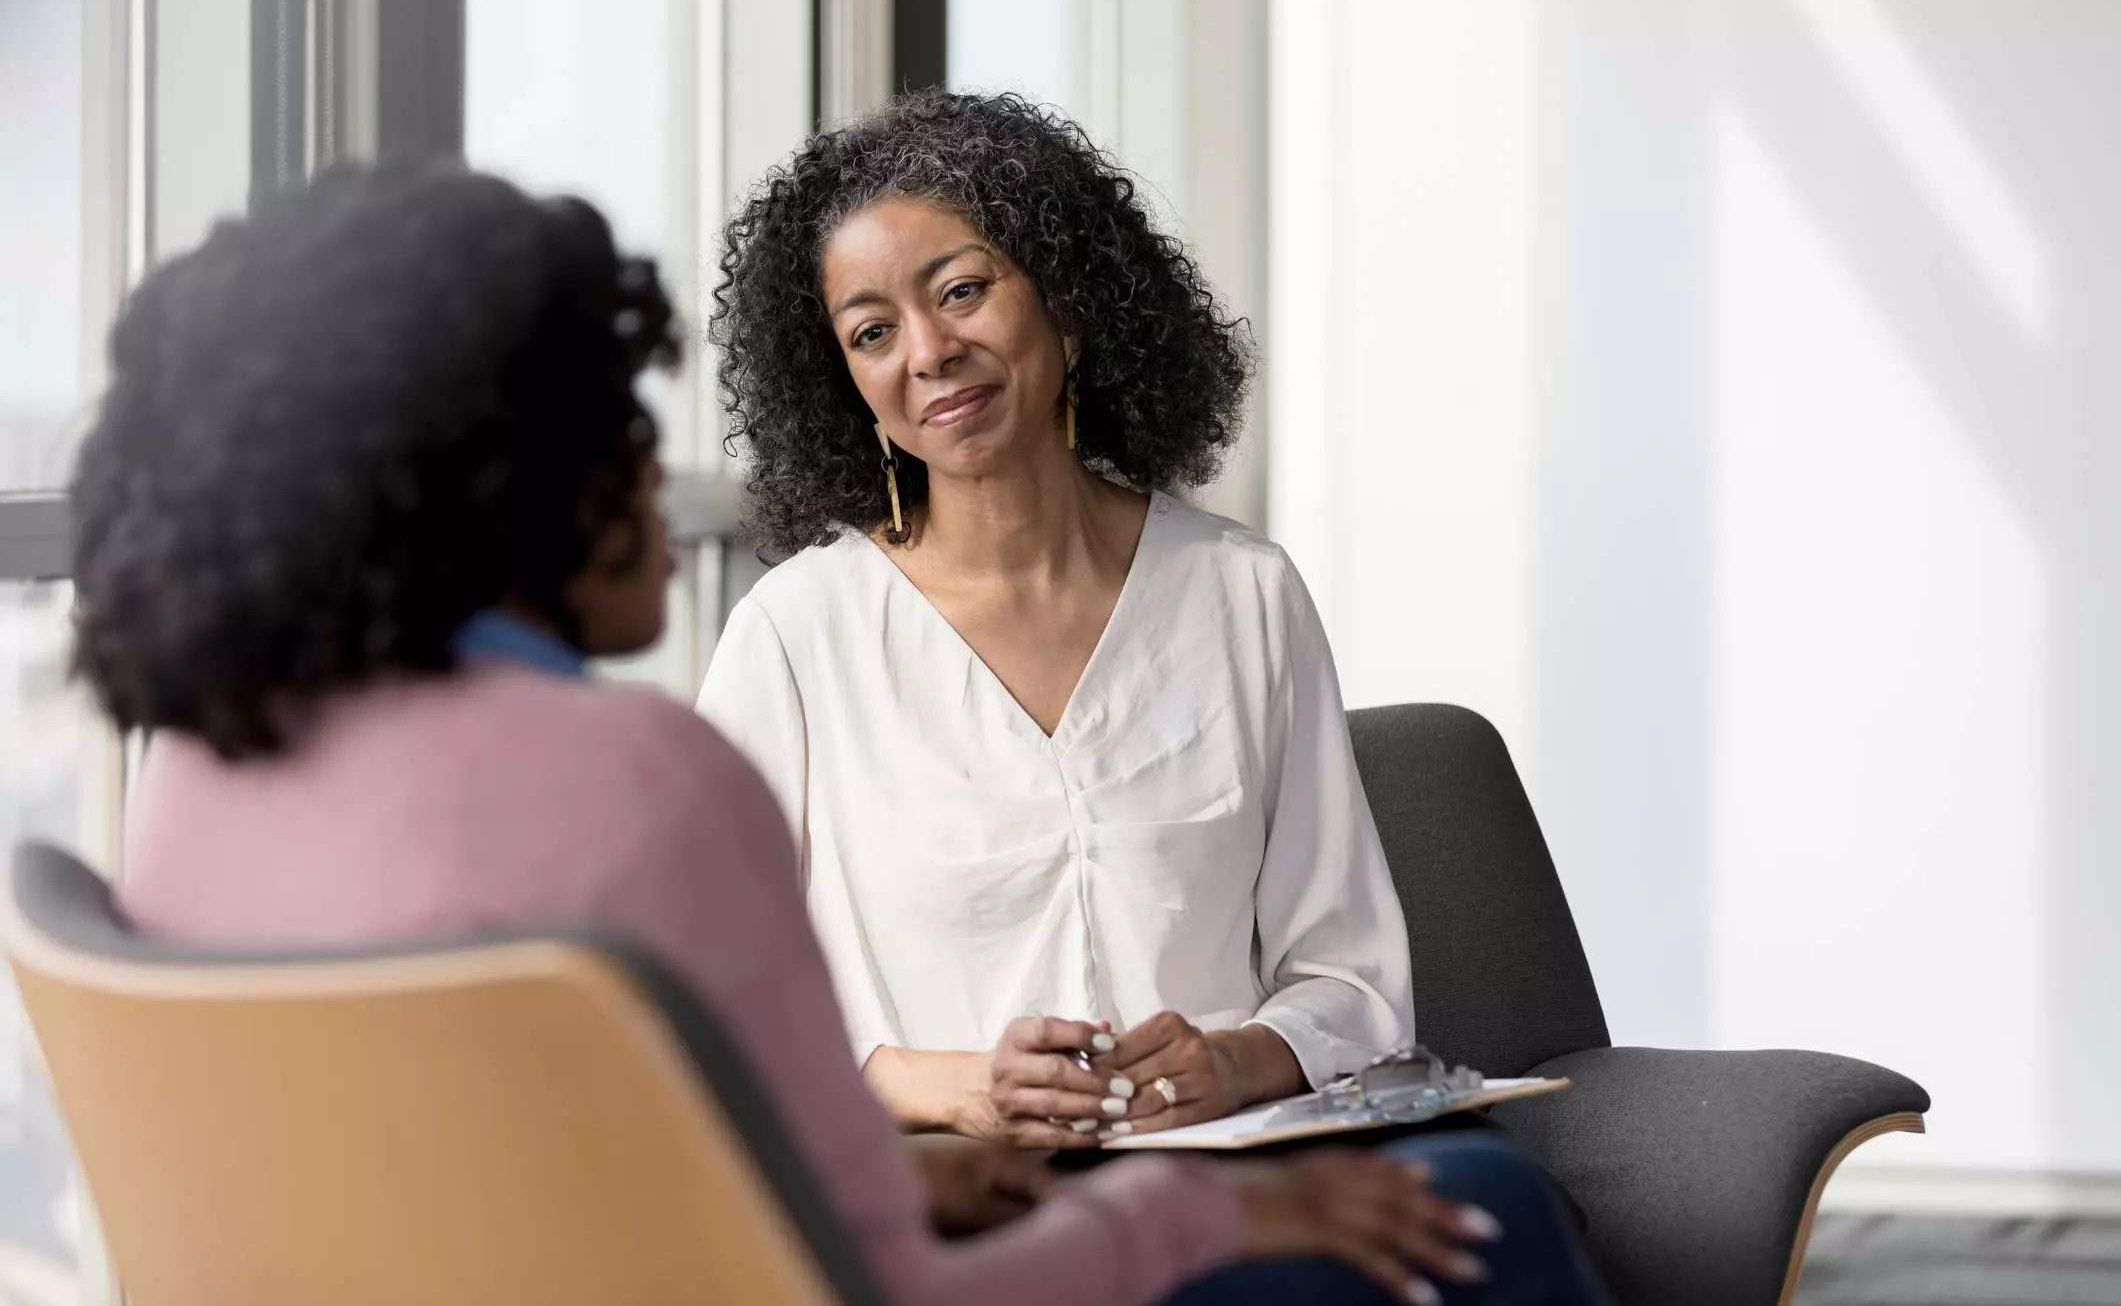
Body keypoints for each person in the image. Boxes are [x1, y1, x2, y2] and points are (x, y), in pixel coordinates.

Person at [73, 162, 1609, 1305]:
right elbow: (854, 1262)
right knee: (1479, 1207)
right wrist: (1207, 1217)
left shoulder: (202, 780)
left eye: (961, 291)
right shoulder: (649, 771)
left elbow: (677, 1142)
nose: (667, 490)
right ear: (492, 481)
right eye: (616, 429)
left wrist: (968, 1155)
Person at [698, 89, 1410, 1147]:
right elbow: (710, 1007)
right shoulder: (796, 639)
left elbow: (1351, 978)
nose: (930, 351)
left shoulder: (1244, 595)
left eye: (964, 289)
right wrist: (954, 1088)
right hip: (957, 1201)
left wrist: (1235, 1058)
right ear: (843, 381)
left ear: (1068, 306)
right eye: (872, 331)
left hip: (1234, 1177)